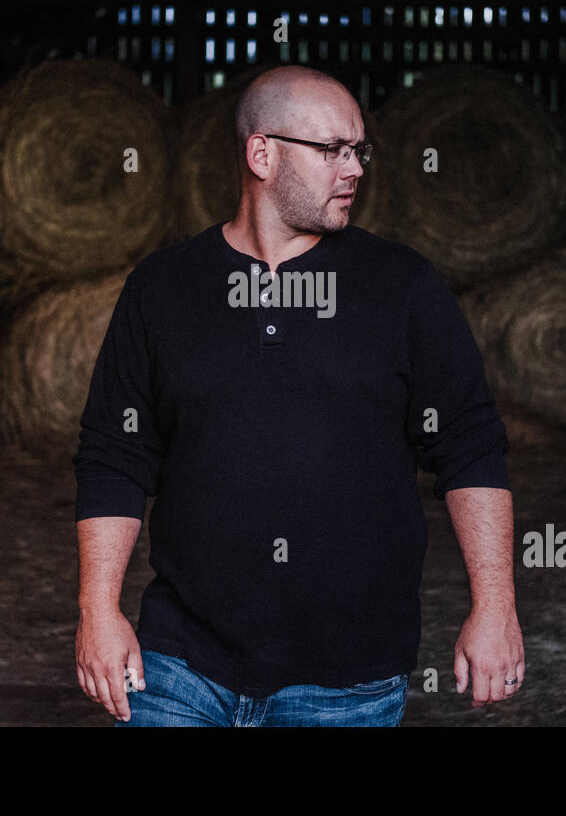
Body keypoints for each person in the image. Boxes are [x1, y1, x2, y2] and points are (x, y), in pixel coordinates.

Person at [73, 64, 523, 726]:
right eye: (332, 150)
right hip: (181, 660)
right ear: (262, 153)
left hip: (349, 675)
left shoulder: (401, 287)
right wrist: (98, 610)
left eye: (359, 149)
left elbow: (469, 446)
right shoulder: (163, 288)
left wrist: (496, 605)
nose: (355, 169)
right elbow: (115, 454)